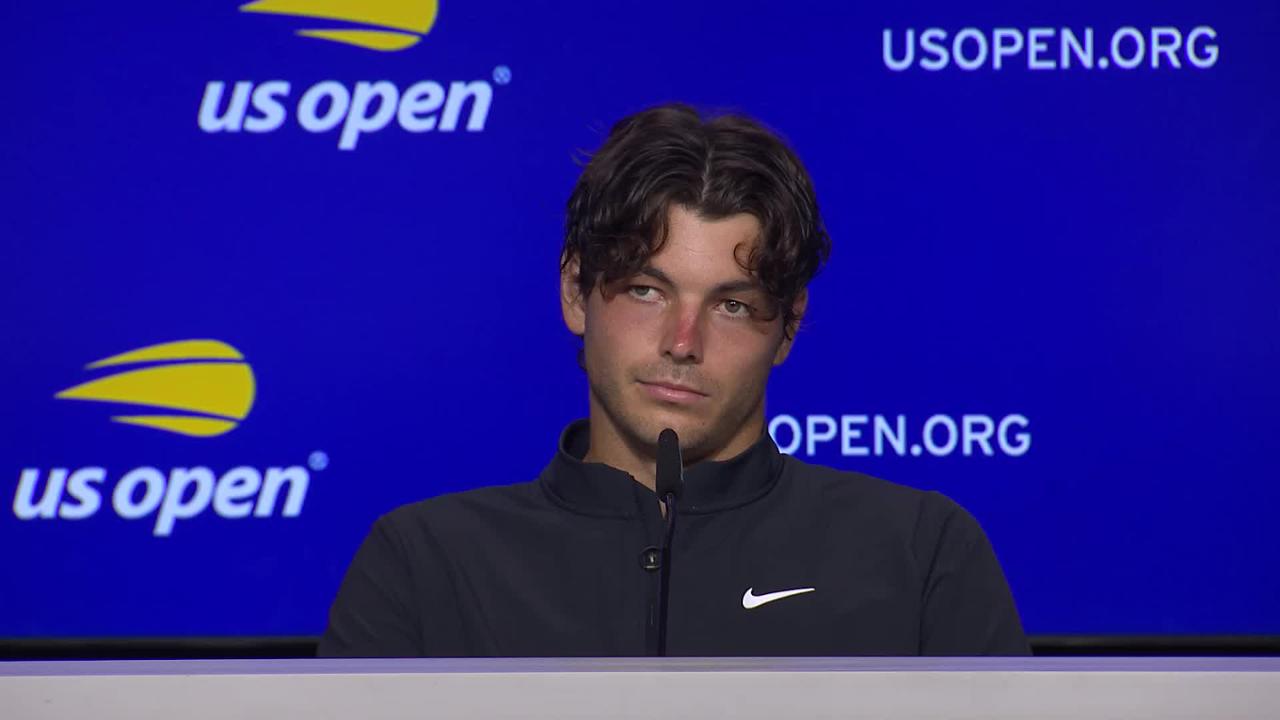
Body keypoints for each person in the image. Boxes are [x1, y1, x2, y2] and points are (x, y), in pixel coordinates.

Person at [318, 103, 1030, 657]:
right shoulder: (422, 563)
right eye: (646, 291)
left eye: (732, 305)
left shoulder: (920, 551)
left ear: (788, 326)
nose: (683, 343)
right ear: (575, 292)